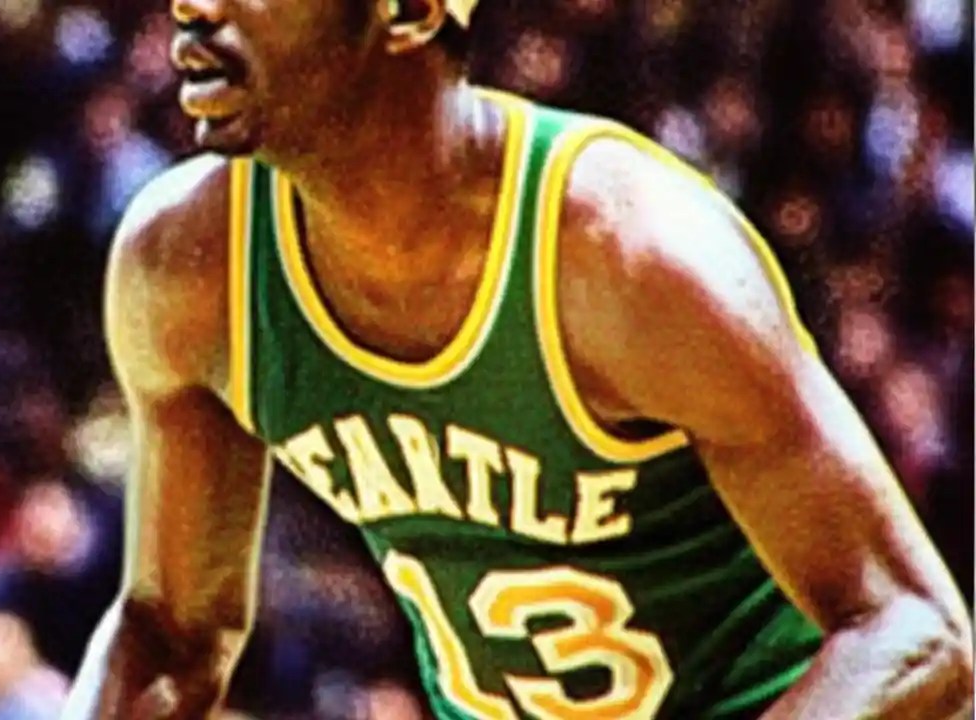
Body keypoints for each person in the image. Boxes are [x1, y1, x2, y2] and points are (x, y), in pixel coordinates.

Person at [63, 0, 973, 718]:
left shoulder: (629, 254)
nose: (192, 6)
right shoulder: (186, 267)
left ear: (414, 9)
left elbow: (918, 634)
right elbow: (168, 640)